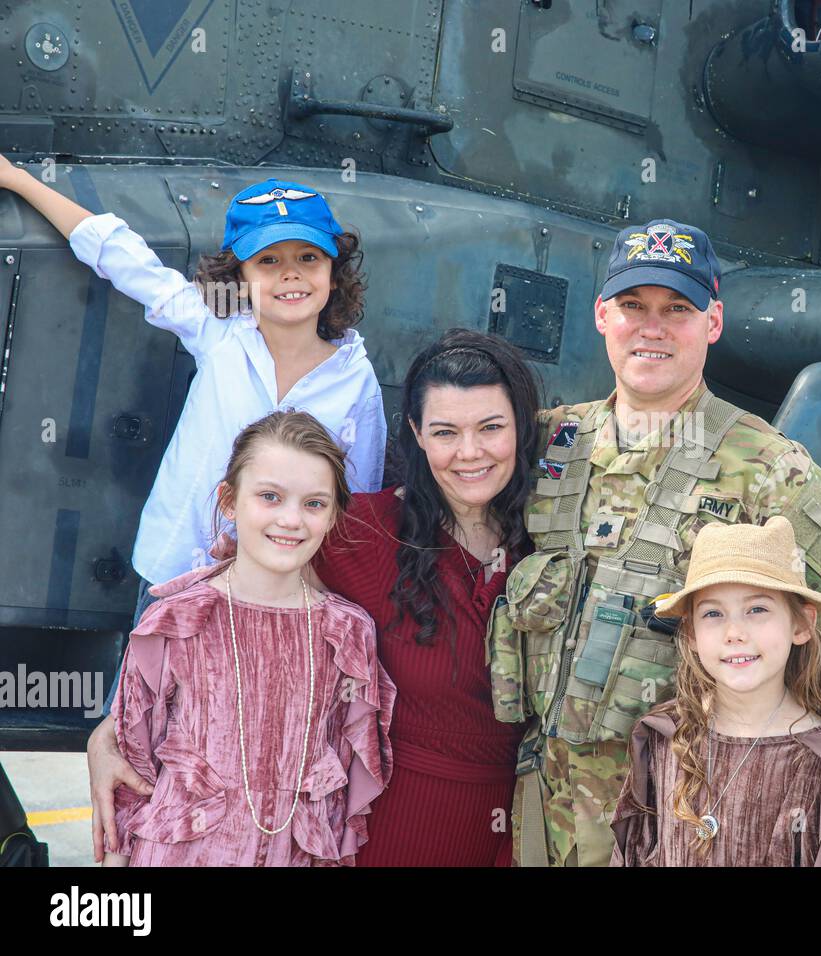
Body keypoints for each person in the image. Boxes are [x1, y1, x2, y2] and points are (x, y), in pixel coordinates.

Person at [494, 218, 821, 867]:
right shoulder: (551, 443)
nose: (652, 327)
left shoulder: (768, 469)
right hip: (541, 816)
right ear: (604, 314)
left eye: (677, 310)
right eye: (634, 306)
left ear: (712, 321)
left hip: (679, 825)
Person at [90, 330, 539, 866]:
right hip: (390, 830)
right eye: (445, 431)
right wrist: (109, 735)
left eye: (491, 427)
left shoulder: (557, 539)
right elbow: (229, 604)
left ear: (522, 427)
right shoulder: (362, 533)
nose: (470, 453)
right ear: (416, 433)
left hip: (517, 828)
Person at [0, 157, 386, 639]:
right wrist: (16, 178)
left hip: (278, 591)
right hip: (177, 570)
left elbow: (359, 498)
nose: (291, 275)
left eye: (308, 258)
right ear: (240, 276)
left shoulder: (356, 379)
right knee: (141, 704)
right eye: (269, 260)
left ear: (333, 271)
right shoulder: (218, 331)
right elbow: (120, 256)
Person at [103, 411, 394, 866]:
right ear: (229, 501)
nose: (291, 519)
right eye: (270, 497)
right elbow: (132, 772)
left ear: (334, 514)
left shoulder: (348, 633)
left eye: (314, 504)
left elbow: (343, 794)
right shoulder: (174, 622)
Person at [608, 516, 821, 866]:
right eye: (713, 613)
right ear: (692, 634)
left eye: (757, 609)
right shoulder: (663, 737)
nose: (734, 631)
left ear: (801, 625)